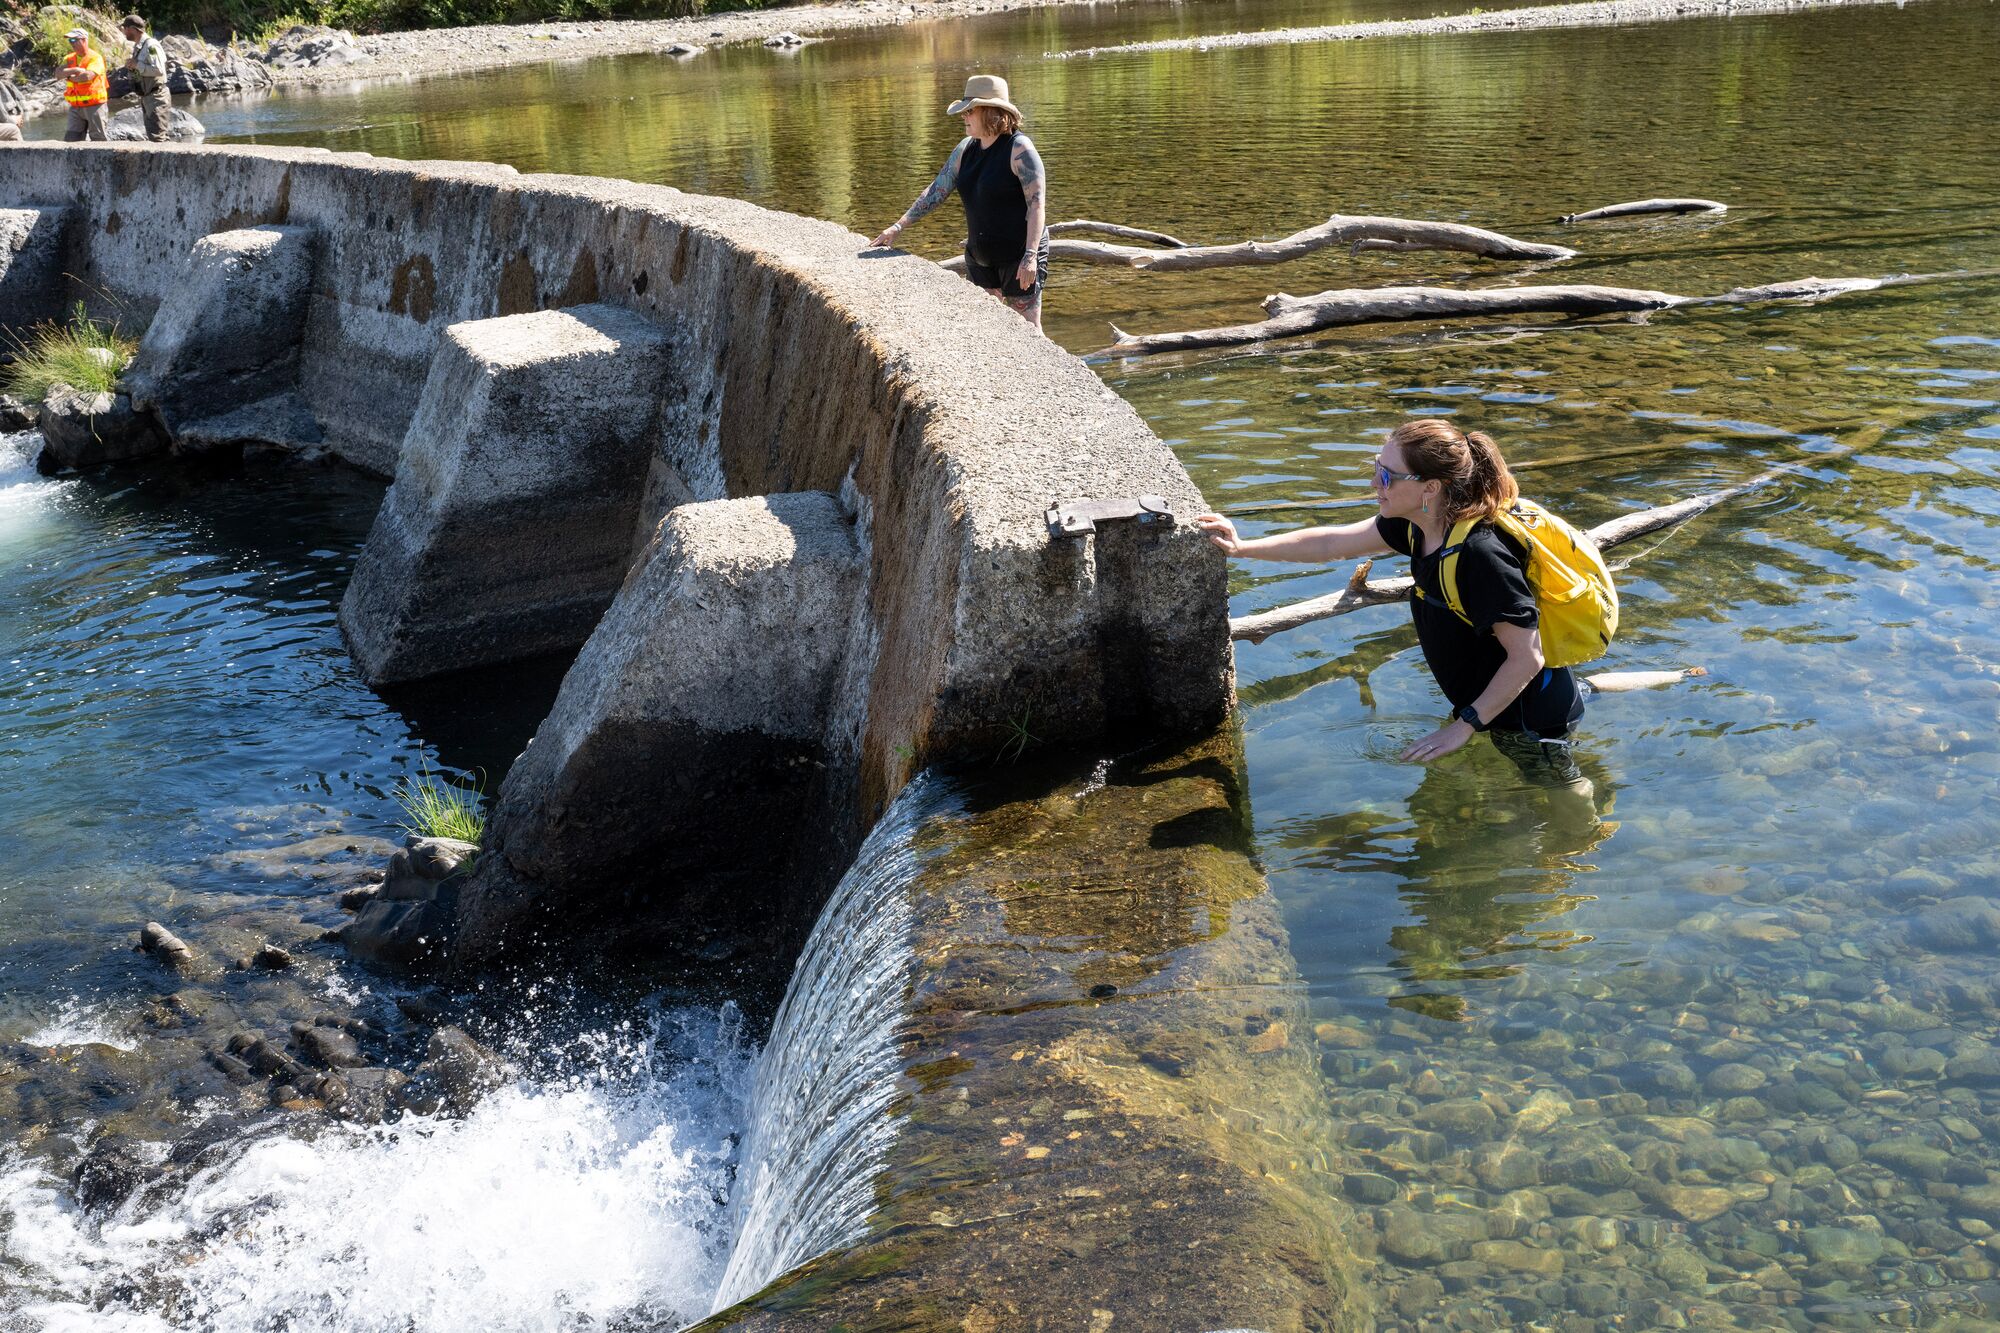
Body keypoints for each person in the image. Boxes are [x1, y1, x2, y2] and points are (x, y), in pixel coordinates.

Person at [1196, 419, 1592, 790]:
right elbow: (1330, 543)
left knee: (1562, 791)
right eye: (1375, 467)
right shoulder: (1415, 526)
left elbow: (1527, 658)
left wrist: (1463, 726)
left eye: (1386, 475)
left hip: (1530, 718)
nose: (1374, 482)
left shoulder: (1481, 556)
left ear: (1430, 488)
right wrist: (1243, 547)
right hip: (1492, 705)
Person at [868, 74, 1049, 330]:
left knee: (1028, 330)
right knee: (990, 329)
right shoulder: (965, 148)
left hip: (1019, 256)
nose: (963, 116)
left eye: (970, 110)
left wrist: (1030, 256)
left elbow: (1037, 204)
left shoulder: (1020, 149)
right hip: (980, 256)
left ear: (990, 112)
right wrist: (898, 226)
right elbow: (937, 190)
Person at [120, 14, 170, 143]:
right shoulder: (138, 46)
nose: (123, 31)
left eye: (124, 28)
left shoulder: (151, 46)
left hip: (156, 96)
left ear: (132, 29)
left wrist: (137, 64)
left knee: (158, 138)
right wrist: (132, 67)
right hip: (147, 97)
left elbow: (159, 70)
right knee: (153, 137)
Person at [61, 27, 110, 142]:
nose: (71, 43)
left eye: (74, 40)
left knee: (99, 140)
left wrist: (69, 76)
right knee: (71, 141)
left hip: (95, 105)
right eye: (70, 41)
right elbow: (58, 73)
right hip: (76, 107)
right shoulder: (69, 58)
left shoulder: (95, 58)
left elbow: (87, 76)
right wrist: (76, 70)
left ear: (83, 40)